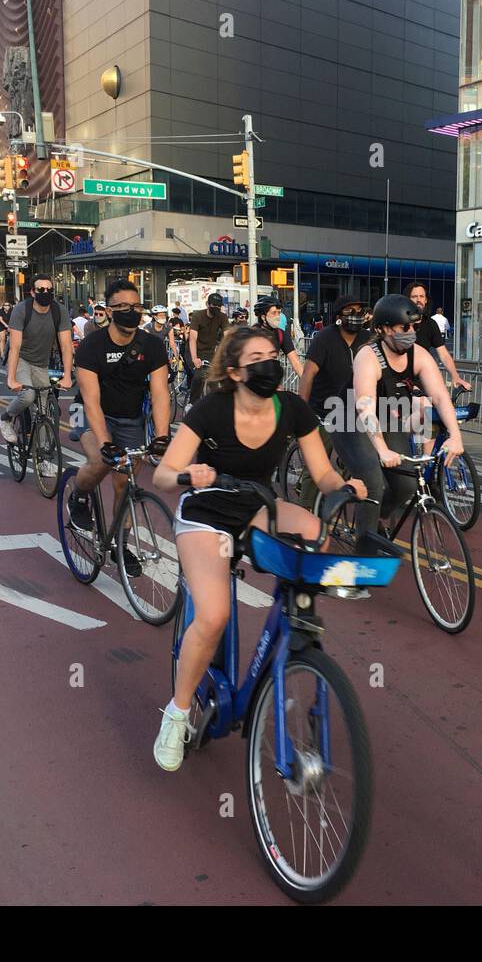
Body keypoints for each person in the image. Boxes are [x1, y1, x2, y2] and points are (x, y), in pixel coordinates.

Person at [152, 325, 365, 771]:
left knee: (316, 535)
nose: (269, 364)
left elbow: (323, 474)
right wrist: (190, 475)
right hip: (207, 513)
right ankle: (177, 713)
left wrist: (345, 486)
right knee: (214, 616)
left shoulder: (292, 408)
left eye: (272, 355)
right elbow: (163, 475)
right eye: (256, 359)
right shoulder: (211, 409)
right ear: (234, 372)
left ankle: (293, 626)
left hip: (257, 506)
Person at [66, 279, 171, 571]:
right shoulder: (91, 346)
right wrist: (105, 443)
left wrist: (162, 436)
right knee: (101, 460)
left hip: (129, 417)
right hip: (85, 411)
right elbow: (90, 401)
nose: (131, 312)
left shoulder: (152, 345)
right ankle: (79, 497)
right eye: (123, 307)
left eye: (136, 306)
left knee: (125, 481)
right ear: (109, 311)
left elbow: (160, 393)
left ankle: (120, 546)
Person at [351, 294, 465, 536]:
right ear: (384, 329)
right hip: (351, 421)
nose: (411, 332)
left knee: (407, 486)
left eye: (414, 327)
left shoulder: (419, 355)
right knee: (372, 484)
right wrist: (382, 449)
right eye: (405, 327)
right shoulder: (368, 357)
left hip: (388, 420)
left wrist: (456, 436)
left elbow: (440, 397)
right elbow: (365, 407)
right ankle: (364, 545)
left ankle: (378, 518)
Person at [298, 296, 372, 507]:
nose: (356, 315)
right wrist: (301, 411)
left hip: (353, 413)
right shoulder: (325, 338)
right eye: (350, 311)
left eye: (359, 310)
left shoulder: (368, 338)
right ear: (338, 316)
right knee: (315, 468)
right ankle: (305, 511)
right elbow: (308, 375)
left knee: (361, 464)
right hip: (323, 412)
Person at [0, 275, 74, 447]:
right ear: (33, 292)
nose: (45, 292)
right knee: (27, 396)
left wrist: (68, 376)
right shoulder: (21, 310)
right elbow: (15, 347)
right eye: (41, 289)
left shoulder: (59, 311)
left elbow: (66, 345)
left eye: (49, 289)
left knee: (42, 412)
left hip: (42, 363)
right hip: (21, 359)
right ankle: (6, 417)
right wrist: (11, 379)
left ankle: (41, 455)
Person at [406, 283, 471, 393]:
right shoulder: (399, 322)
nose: (418, 300)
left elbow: (444, 354)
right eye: (414, 296)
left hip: (421, 381)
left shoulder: (430, 324)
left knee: (434, 402)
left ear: (426, 300)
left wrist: (455, 377)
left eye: (421, 296)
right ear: (407, 300)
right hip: (399, 381)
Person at [186, 292, 229, 402]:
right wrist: (194, 358)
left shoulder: (222, 317)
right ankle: (192, 403)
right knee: (199, 376)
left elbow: (227, 336)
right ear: (207, 304)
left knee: (214, 379)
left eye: (219, 306)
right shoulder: (198, 315)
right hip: (193, 350)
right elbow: (192, 339)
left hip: (210, 352)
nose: (216, 308)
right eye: (214, 305)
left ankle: (213, 405)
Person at [252, 296, 303, 378]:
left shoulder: (281, 334)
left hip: (271, 380)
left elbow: (295, 362)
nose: (278, 316)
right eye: (274, 313)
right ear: (263, 317)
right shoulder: (251, 335)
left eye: (279, 313)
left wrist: (307, 381)